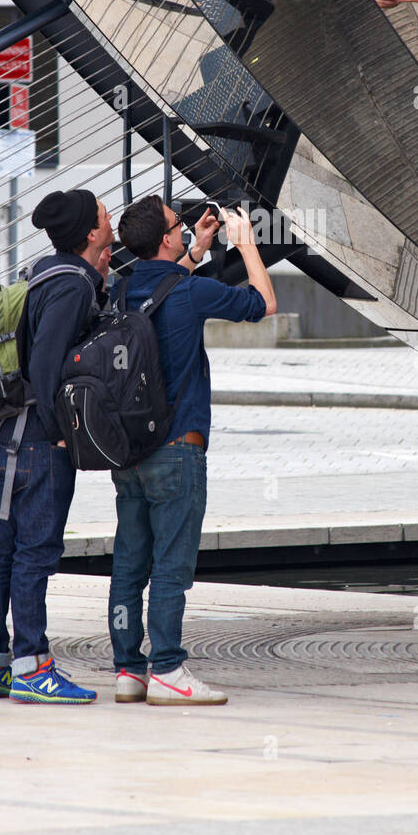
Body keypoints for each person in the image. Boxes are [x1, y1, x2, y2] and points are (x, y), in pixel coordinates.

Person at [108, 198, 276, 706]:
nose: (186, 229)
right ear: (165, 238)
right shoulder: (192, 291)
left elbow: (162, 290)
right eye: (179, 225)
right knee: (171, 567)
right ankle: (167, 670)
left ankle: (128, 671)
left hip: (128, 451)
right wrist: (245, 245)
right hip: (178, 448)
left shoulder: (120, 290)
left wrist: (198, 249)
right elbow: (263, 304)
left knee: (129, 564)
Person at [0, 189, 113, 704]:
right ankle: (32, 667)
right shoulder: (72, 286)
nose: (109, 217)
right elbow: (47, 362)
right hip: (36, 439)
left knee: (2, 546)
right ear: (91, 233)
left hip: (9, 433)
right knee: (34, 551)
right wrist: (57, 430)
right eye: (102, 214)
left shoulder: (46, 272)